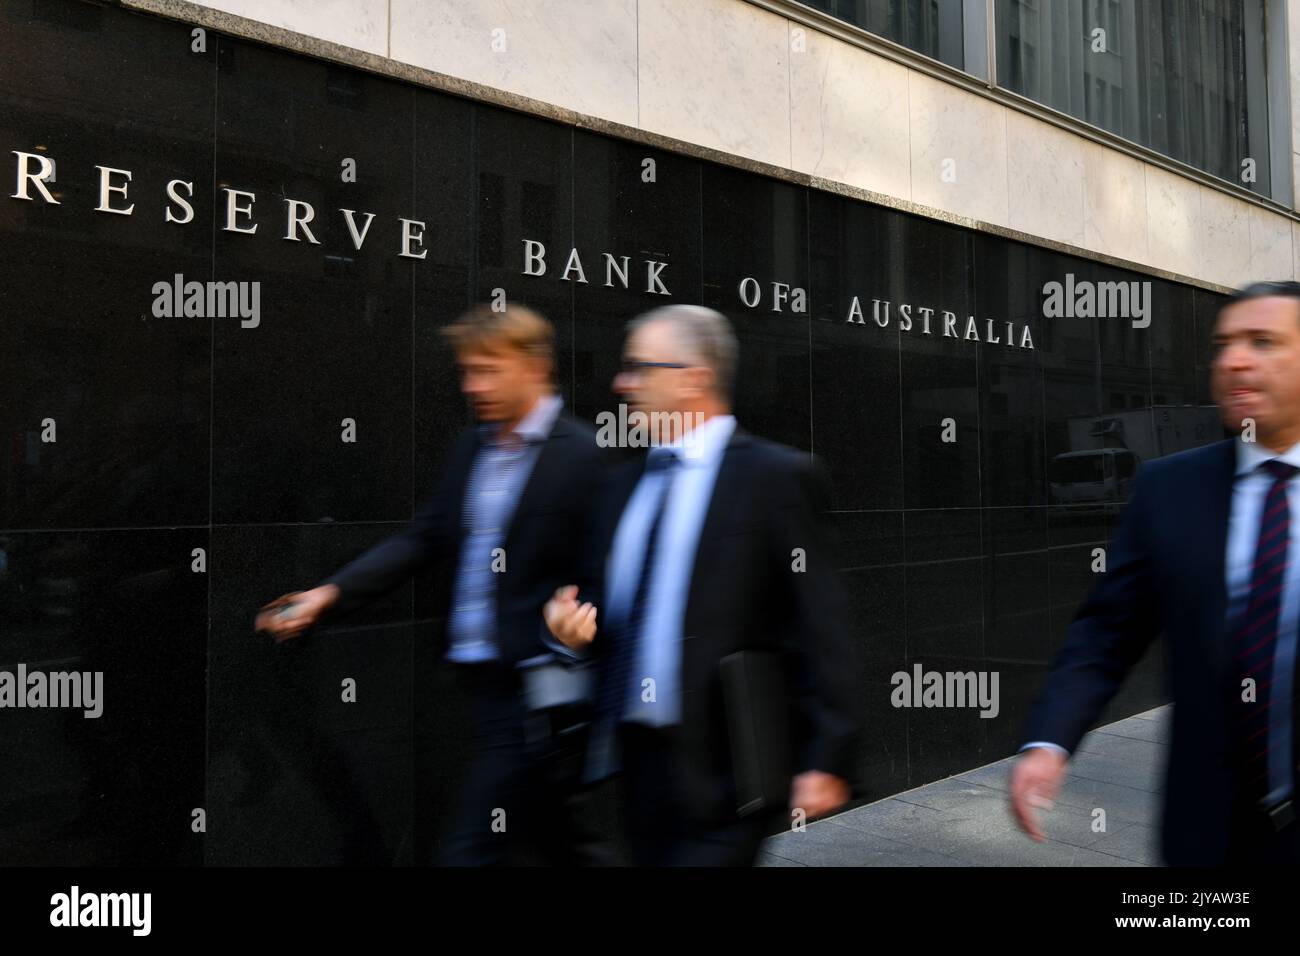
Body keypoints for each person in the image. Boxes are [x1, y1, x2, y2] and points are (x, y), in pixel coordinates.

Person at [255, 303, 615, 866]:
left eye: (489, 369)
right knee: (558, 840)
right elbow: (424, 538)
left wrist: (579, 621)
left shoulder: (581, 456)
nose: (474, 385)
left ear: (535, 367)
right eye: (468, 371)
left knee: (469, 849)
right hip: (463, 685)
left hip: (532, 689)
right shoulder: (474, 447)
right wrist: (331, 593)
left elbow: (604, 571)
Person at [545, 304, 862, 865]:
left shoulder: (777, 478)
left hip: (728, 769)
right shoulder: (623, 485)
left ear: (695, 378)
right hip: (632, 764)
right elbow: (604, 596)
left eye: (640, 368)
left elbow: (822, 626)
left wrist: (828, 757)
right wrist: (573, 627)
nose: (623, 383)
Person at [1011, 280, 1300, 865]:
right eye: (1225, 344)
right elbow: (1106, 632)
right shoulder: (1169, 488)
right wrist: (1050, 740)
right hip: (1207, 835)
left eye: (1263, 342)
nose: (1235, 360)